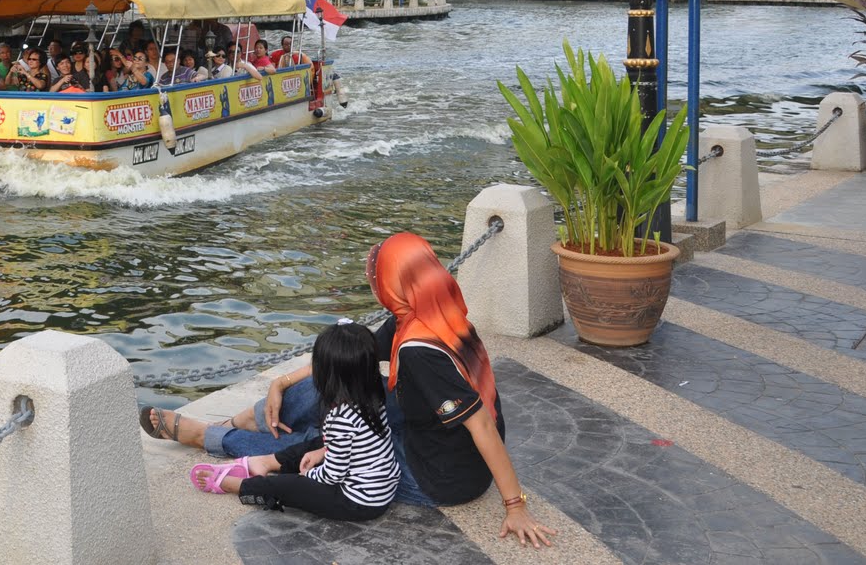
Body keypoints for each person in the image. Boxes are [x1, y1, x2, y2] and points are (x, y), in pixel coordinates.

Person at [139, 232, 558, 549]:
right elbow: (357, 355)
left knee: (327, 441)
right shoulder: (427, 307)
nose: (373, 280)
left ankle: (214, 437)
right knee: (337, 388)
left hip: (440, 474)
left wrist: (514, 505)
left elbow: (481, 424)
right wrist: (282, 381)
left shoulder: (420, 353)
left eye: (376, 275)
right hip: (430, 430)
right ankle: (255, 415)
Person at [187, 322, 399, 522]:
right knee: (317, 444)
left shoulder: (340, 418)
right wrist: (321, 452)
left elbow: (333, 475)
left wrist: (307, 475)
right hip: (380, 490)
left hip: (356, 502)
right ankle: (264, 462)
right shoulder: (373, 398)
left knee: (292, 486)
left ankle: (240, 485)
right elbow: (358, 445)